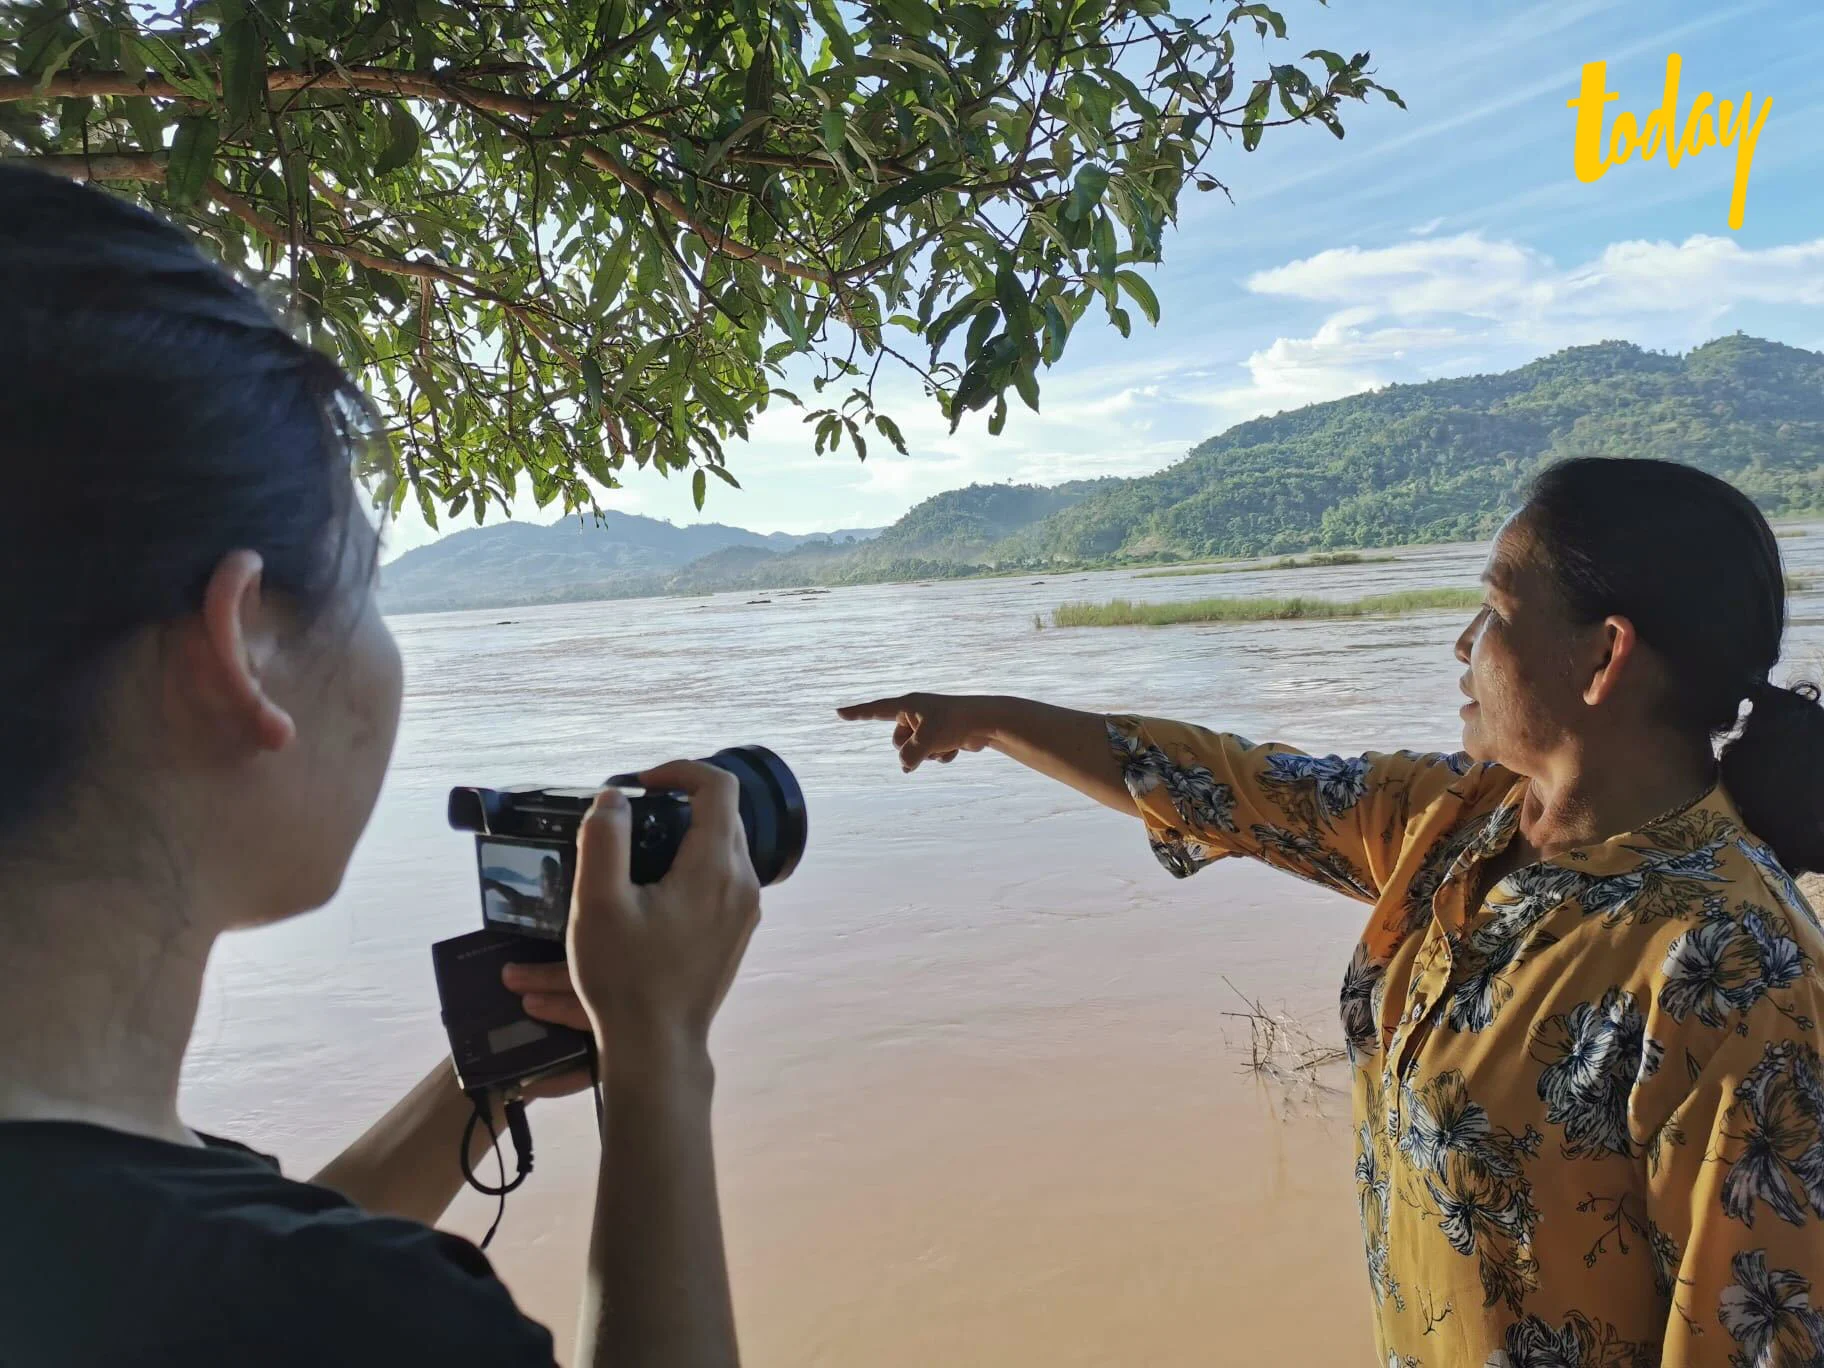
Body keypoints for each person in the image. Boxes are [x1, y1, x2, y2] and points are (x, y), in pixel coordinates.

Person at [0, 167, 758, 1367]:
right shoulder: (374, 1320)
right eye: (371, 583)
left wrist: (486, 1074)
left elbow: (231, 1257)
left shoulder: (98, 1222)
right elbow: (272, 1296)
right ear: (246, 647)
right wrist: (662, 1052)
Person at [843, 457, 1824, 1367]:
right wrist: (990, 718)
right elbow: (1233, 786)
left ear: (1603, 656)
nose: (1463, 644)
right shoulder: (1465, 818)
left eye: (1493, 610)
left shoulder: (1736, 971)